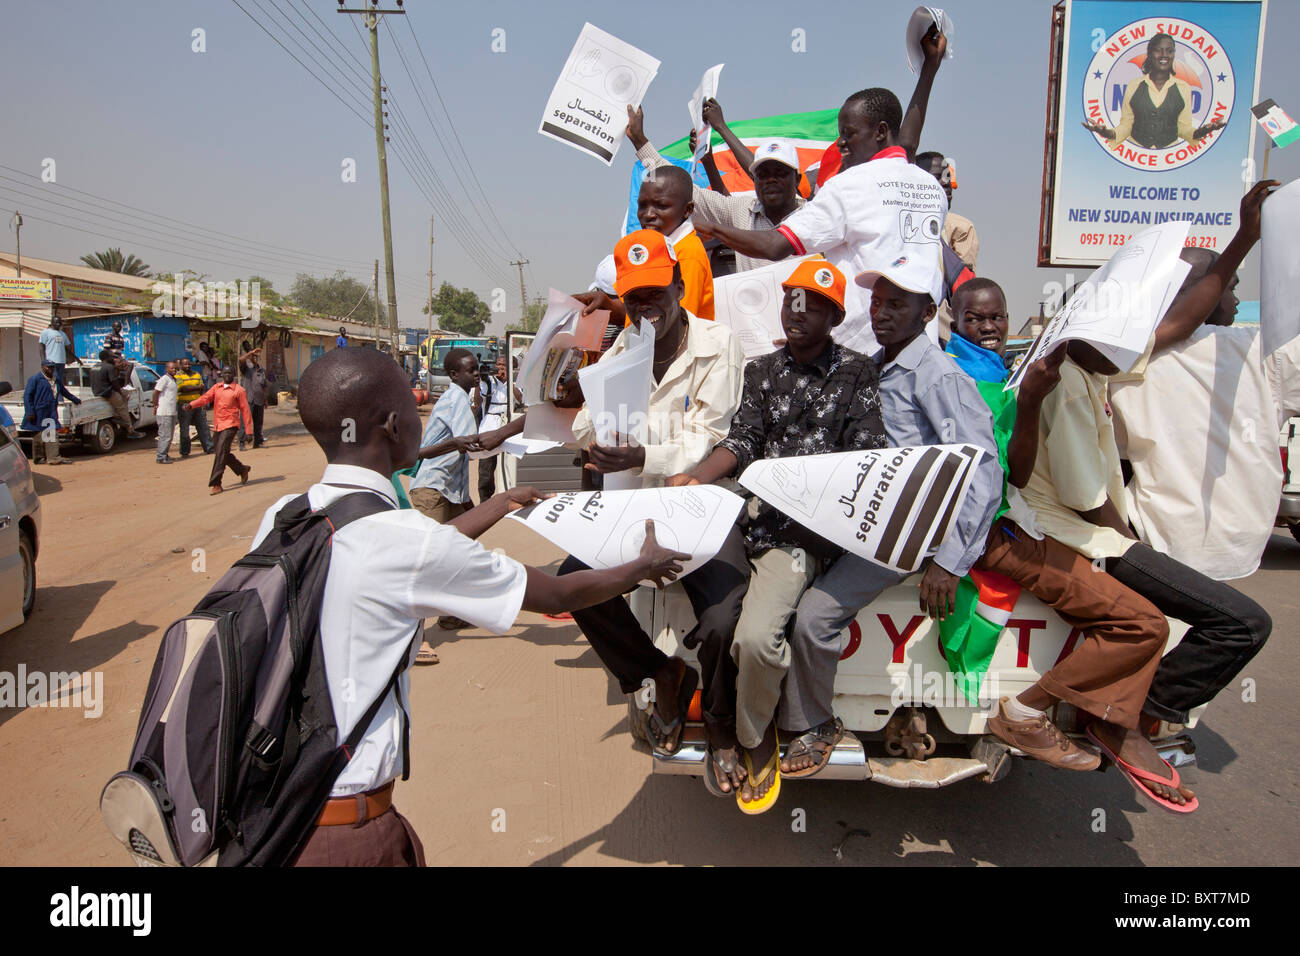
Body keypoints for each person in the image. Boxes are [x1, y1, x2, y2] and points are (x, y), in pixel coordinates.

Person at [249, 346, 686, 866]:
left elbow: (417, 553)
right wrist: (640, 568)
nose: (423, 421)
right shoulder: (404, 542)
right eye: (417, 414)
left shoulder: (288, 513)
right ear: (392, 426)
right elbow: (559, 594)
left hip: (274, 808)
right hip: (347, 831)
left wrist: (502, 502)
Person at [1016, 191, 1272, 761]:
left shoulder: (1089, 356)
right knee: (1242, 624)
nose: (1142, 348)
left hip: (1096, 531)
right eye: (1135, 333)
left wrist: (1243, 239)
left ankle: (1127, 714)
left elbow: (1178, 324)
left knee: (1220, 617)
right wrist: (1135, 555)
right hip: (1086, 537)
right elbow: (1088, 503)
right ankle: (1134, 716)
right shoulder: (1069, 383)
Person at [487, 230, 744, 757]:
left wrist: (640, 454)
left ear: (677, 284)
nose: (646, 307)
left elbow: (710, 435)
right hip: (632, 500)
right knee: (574, 582)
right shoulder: (621, 347)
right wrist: (599, 437)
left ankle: (723, 725)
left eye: (655, 292)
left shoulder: (719, 344)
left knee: (721, 620)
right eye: (634, 298)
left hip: (697, 498)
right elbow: (583, 422)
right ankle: (659, 672)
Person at [946, 278, 1191, 810]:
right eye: (974, 320)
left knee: (1142, 615)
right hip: (999, 535)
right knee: (1145, 625)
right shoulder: (961, 378)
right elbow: (1010, 475)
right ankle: (1032, 713)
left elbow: (1019, 470)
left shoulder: (1008, 373)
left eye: (996, 318)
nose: (988, 329)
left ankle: (1109, 719)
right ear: (951, 317)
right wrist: (1031, 400)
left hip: (1017, 527)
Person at [666, 260, 886, 811]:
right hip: (752, 521)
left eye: (811, 304)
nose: (796, 311)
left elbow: (869, 453)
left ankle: (751, 736)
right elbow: (742, 441)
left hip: (804, 535)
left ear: (835, 316)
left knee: (756, 639)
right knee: (722, 624)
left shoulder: (858, 373)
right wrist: (698, 477)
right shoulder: (762, 371)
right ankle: (736, 727)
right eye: (790, 300)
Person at [782, 254, 1003, 777]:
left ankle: (812, 724)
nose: (880, 313)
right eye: (877, 302)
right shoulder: (881, 365)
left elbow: (983, 469)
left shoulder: (936, 375)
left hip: (904, 535)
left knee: (814, 617)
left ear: (927, 312)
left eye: (896, 304)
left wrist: (951, 562)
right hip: (860, 519)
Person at [694, 25, 950, 354]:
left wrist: (713, 228)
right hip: (920, 350)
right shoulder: (930, 187)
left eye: (849, 134)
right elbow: (907, 146)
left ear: (881, 132)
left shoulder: (849, 187)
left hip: (862, 352)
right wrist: (930, 68)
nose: (841, 143)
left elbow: (776, 245)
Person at [1110, 181, 1287, 580]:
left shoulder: (1125, 354)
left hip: (1158, 538)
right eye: (1227, 287)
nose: (1236, 298)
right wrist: (1247, 237)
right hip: (1230, 545)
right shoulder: (1258, 349)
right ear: (1195, 295)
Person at [627, 101, 807, 273]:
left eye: (780, 173)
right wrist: (640, 142)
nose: (771, 180)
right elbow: (677, 186)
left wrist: (721, 127)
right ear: (754, 179)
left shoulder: (813, 216)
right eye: (763, 174)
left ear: (797, 179)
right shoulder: (742, 211)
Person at [408, 348, 485, 652]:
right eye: (471, 370)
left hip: (447, 489)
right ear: (454, 375)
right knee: (428, 561)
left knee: (452, 554)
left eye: (478, 369)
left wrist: (466, 502)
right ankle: (416, 636)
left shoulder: (460, 400)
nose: (477, 374)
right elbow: (469, 445)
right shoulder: (456, 400)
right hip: (432, 489)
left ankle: (450, 616)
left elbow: (460, 458)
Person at [1081, 32, 1226, 150]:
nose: (1164, 55)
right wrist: (1106, 132)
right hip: (1138, 151)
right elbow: (1126, 125)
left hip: (1167, 154)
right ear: (1150, 54)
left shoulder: (1183, 88)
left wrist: (1205, 130)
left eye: (1169, 51)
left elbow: (1183, 128)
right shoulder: (1134, 85)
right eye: (1158, 50)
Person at [188, 365, 252, 495]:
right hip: (218, 425)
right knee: (221, 452)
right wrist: (191, 405)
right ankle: (241, 469)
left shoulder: (239, 391)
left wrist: (249, 431)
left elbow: (245, 411)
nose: (227, 375)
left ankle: (216, 483)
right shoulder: (216, 388)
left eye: (230, 373)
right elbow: (205, 398)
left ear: (233, 374)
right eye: (225, 373)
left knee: (220, 453)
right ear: (221, 375)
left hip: (231, 425)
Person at [915, 150, 977, 270]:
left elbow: (962, 281)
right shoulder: (897, 222)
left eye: (948, 177)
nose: (945, 183)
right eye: (936, 178)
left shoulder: (959, 228)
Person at [476, 355, 521, 504]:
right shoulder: (489, 382)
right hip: (489, 426)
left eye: (504, 365)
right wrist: (481, 380)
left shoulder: (516, 383)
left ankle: (510, 496)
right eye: (498, 365)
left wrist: (508, 382)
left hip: (508, 426)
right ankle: (485, 500)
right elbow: (477, 401)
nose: (500, 368)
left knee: (510, 465)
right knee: (486, 468)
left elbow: (521, 399)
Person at [21, 360, 81, 465]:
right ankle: (39, 458)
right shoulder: (35, 379)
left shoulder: (56, 379)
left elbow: (64, 391)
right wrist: (30, 411)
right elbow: (27, 396)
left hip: (50, 411)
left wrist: (75, 399)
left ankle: (53, 457)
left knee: (51, 434)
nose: (51, 369)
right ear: (43, 367)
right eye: (48, 367)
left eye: (52, 367)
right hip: (39, 412)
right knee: (39, 436)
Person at [89, 349, 143, 439]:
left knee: (124, 397)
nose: (113, 358)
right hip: (107, 392)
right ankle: (130, 430)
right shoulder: (109, 367)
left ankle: (118, 417)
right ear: (107, 357)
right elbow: (114, 383)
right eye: (111, 356)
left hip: (96, 391)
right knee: (123, 407)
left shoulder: (95, 366)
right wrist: (120, 392)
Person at [173, 357, 212, 456]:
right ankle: (185, 451)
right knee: (184, 429)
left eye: (189, 364)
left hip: (198, 404)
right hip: (184, 404)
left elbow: (202, 388)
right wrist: (197, 387)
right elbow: (182, 388)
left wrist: (202, 400)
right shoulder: (177, 376)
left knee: (203, 427)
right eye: (185, 364)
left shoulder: (197, 374)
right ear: (180, 365)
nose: (187, 366)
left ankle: (209, 448)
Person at [237, 341, 269, 450]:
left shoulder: (262, 370)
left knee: (258, 422)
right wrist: (250, 352)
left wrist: (265, 400)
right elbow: (241, 360)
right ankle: (242, 442)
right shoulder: (246, 369)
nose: (255, 358)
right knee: (244, 421)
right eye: (253, 357)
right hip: (248, 399)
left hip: (259, 400)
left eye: (256, 357)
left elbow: (264, 386)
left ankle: (258, 442)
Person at [38, 317, 81, 392]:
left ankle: (58, 397)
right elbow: (41, 347)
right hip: (51, 361)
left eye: (59, 323)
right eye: (56, 322)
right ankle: (57, 398)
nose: (58, 324)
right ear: (52, 323)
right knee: (56, 379)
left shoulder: (62, 334)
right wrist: (43, 361)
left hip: (61, 361)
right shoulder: (46, 332)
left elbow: (66, 348)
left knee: (60, 380)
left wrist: (76, 358)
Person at [152, 360, 179, 465]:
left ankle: (165, 454)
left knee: (169, 435)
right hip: (164, 412)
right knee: (165, 435)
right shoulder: (164, 379)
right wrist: (155, 405)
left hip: (171, 412)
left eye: (175, 368)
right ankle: (161, 456)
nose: (174, 370)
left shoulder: (173, 380)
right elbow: (156, 392)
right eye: (172, 368)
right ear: (166, 369)